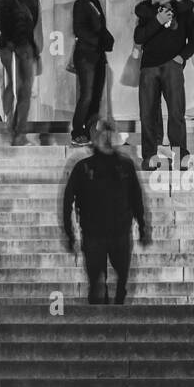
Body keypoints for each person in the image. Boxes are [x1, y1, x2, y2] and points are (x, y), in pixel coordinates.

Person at [62, 118, 151, 303]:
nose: (107, 137)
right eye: (103, 133)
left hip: (120, 233)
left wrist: (143, 227)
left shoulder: (125, 165)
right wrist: (69, 233)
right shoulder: (83, 167)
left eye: (111, 132)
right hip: (93, 234)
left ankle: (117, 316)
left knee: (122, 285)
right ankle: (98, 323)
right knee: (96, 284)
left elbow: (136, 197)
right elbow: (67, 200)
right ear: (96, 138)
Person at [133, 0, 194, 167]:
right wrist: (157, 21)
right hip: (149, 68)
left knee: (176, 112)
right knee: (148, 114)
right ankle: (149, 156)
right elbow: (139, 37)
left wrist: (180, 58)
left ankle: (180, 156)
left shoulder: (185, 12)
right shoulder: (146, 12)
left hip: (172, 67)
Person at [0, 0, 41, 144]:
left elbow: (4, 23)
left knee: (18, 86)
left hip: (13, 45)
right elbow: (24, 26)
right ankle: (16, 128)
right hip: (18, 46)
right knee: (22, 88)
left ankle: (13, 125)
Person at [71, 0, 113, 144]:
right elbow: (80, 30)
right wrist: (100, 41)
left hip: (97, 56)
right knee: (87, 94)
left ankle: (89, 131)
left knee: (96, 96)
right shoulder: (81, 4)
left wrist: (107, 40)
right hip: (86, 56)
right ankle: (77, 131)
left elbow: (100, 28)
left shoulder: (95, 3)